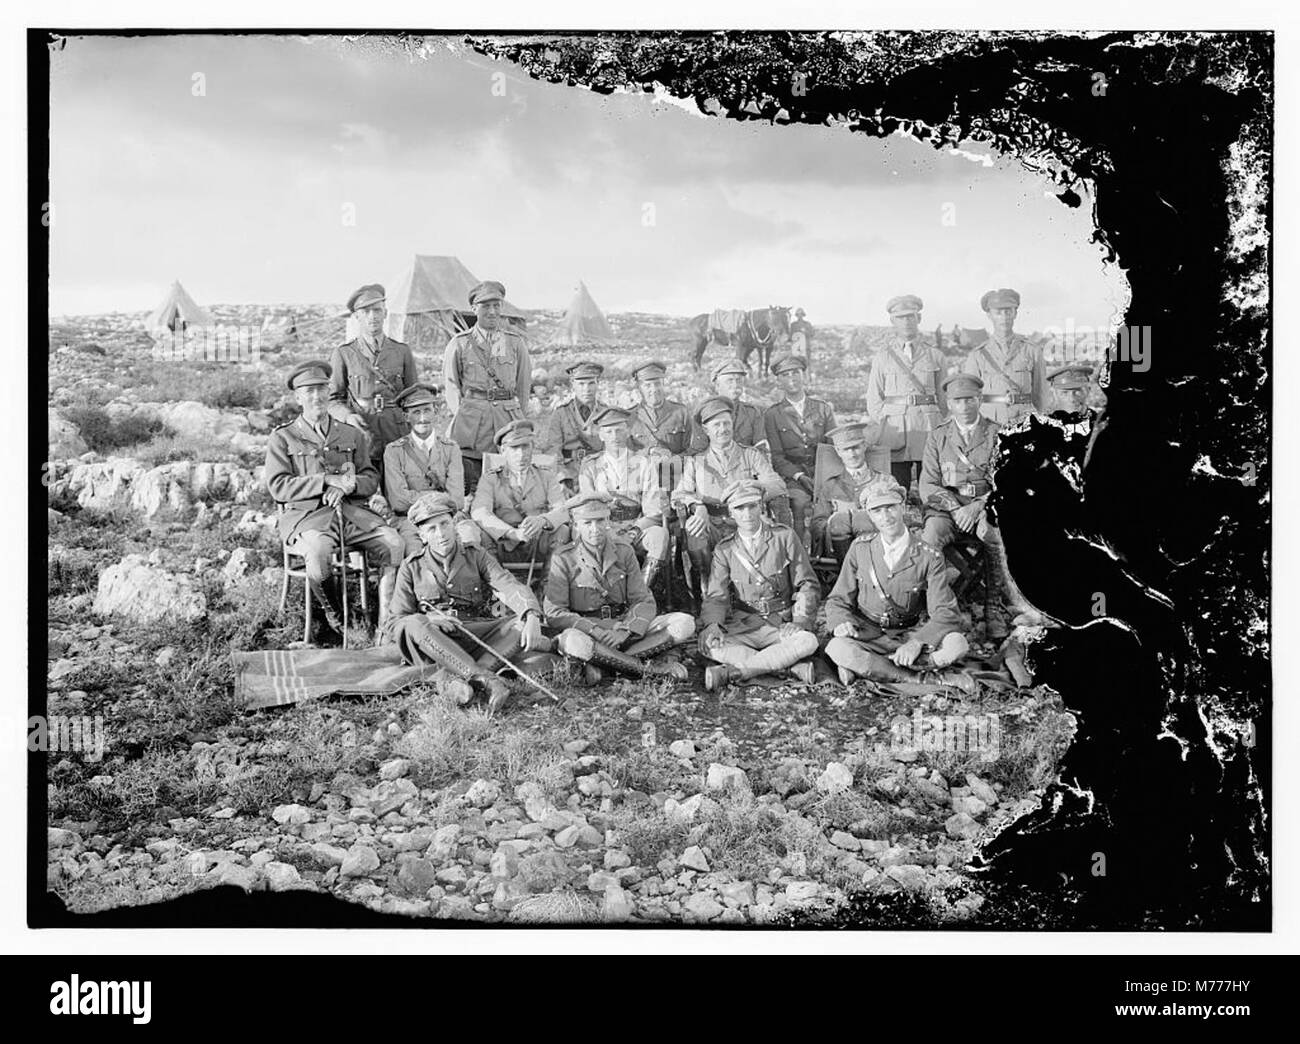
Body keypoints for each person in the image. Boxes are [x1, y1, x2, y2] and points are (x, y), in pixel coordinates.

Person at [266, 361, 405, 640]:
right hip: (307, 519)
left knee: (395, 544)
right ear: (298, 398)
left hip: (352, 514)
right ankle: (340, 620)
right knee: (317, 553)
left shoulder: (350, 434)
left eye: (320, 389)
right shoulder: (284, 437)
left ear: (329, 392)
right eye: (309, 391)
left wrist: (348, 485)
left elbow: (370, 478)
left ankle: (385, 627)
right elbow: (278, 487)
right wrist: (325, 481)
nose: (316, 397)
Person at [386, 492, 552, 712]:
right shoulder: (411, 567)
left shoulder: (476, 556)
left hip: (472, 635)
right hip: (434, 642)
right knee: (414, 623)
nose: (441, 534)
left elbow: (508, 585)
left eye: (444, 524)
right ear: (422, 535)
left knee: (518, 624)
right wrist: (429, 619)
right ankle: (486, 679)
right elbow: (395, 622)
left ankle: (464, 678)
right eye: (432, 529)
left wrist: (531, 613)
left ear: (454, 525)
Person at [823, 484, 973, 690]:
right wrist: (841, 623)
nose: (885, 516)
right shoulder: (860, 549)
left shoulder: (929, 556)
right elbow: (838, 600)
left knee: (957, 644)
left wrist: (916, 642)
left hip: (909, 633)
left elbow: (945, 612)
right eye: (877, 510)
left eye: (890, 507)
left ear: (902, 507)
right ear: (869, 515)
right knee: (837, 648)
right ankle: (921, 678)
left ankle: (874, 669)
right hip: (869, 635)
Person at [544, 493, 695, 682]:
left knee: (684, 623)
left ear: (608, 520)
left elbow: (643, 599)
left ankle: (606, 666)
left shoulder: (624, 551)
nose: (595, 529)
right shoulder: (563, 558)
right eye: (587, 523)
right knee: (573, 642)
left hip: (624, 630)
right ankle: (648, 670)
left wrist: (625, 630)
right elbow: (554, 612)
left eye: (600, 521)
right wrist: (594, 630)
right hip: (589, 634)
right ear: (576, 525)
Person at [697, 481, 821, 691]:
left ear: (761, 506)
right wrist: (713, 625)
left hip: (780, 624)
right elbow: (716, 596)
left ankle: (736, 672)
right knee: (710, 646)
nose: (747, 514)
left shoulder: (784, 537)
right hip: (743, 625)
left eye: (752, 506)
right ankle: (786, 668)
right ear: (731, 513)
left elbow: (807, 584)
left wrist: (799, 620)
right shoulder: (725, 549)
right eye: (739, 508)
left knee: (807, 641)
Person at [918, 373, 1012, 638]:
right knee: (930, 536)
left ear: (979, 399)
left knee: (993, 535)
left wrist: (979, 505)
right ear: (949, 404)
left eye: (969, 399)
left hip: (985, 505)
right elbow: (928, 484)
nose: (964, 406)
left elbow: (1008, 481)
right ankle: (940, 608)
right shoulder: (938, 437)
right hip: (948, 509)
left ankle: (992, 608)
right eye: (958, 401)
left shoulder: (997, 433)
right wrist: (956, 508)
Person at [672, 396, 786, 599]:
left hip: (747, 519)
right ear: (706, 430)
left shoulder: (750, 455)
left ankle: (755, 593)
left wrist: (757, 485)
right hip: (713, 522)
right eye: (717, 425)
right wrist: (698, 506)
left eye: (727, 423)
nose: (723, 429)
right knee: (695, 534)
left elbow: (778, 485)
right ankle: (711, 590)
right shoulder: (696, 462)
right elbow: (680, 494)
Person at [443, 280, 532, 495]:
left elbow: (523, 385)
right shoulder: (460, 343)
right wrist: (464, 416)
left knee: (508, 478)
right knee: (470, 477)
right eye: (485, 306)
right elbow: (451, 385)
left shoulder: (514, 343)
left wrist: (519, 419)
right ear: (474, 308)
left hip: (506, 417)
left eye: (497, 305)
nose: (492, 311)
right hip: (473, 422)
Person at [328, 284, 418, 475]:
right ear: (356, 316)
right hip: (361, 433)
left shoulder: (402, 352)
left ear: (385, 313)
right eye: (366, 311)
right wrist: (347, 417)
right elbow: (333, 400)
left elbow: (414, 396)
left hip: (396, 432)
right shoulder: (344, 353)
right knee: (364, 492)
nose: (372, 316)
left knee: (399, 492)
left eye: (377, 310)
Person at [577, 406, 669, 587]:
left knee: (659, 535)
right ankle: (601, 590)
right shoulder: (590, 466)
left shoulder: (644, 464)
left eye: (619, 430)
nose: (615, 436)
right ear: (601, 435)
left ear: (628, 431)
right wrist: (609, 530)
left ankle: (642, 590)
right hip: (603, 527)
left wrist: (633, 531)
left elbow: (653, 510)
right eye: (609, 431)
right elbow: (588, 507)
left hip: (636, 528)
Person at [866, 294, 946, 494]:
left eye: (911, 316)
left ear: (918, 319)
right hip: (895, 431)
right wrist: (886, 422)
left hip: (927, 428)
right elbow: (874, 399)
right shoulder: (883, 357)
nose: (907, 322)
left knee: (932, 486)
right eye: (901, 318)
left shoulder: (935, 355)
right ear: (893, 321)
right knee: (896, 489)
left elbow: (944, 397)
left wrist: (941, 425)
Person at [381, 383, 474, 556]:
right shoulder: (394, 451)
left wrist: (420, 497)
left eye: (427, 410)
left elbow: (457, 500)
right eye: (416, 412)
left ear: (436, 412)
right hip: (411, 520)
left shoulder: (451, 448)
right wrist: (440, 498)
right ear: (406, 416)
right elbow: (399, 501)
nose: (423, 418)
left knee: (470, 541)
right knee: (414, 551)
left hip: (449, 517)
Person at [470, 418, 569, 569]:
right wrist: (511, 533)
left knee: (563, 531)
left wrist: (542, 520)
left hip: (537, 543)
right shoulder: (490, 478)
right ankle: (496, 584)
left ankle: (549, 584)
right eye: (514, 448)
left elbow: (562, 510)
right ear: (503, 450)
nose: (521, 454)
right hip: (503, 544)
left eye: (525, 447)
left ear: (532, 447)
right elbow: (480, 512)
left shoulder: (546, 476)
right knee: (481, 534)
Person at [763, 353, 837, 545]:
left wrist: (823, 477)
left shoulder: (823, 408)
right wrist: (798, 476)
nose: (792, 379)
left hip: (824, 472)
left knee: (833, 505)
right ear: (778, 381)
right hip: (794, 477)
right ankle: (799, 554)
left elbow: (832, 448)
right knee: (797, 502)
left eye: (795, 373)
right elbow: (777, 458)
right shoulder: (773, 414)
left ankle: (827, 552)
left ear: (803, 375)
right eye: (785, 375)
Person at [810, 421, 893, 564]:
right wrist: (838, 521)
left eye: (855, 448)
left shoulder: (885, 481)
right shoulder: (829, 486)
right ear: (837, 451)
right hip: (839, 550)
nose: (852, 454)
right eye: (845, 449)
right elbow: (817, 523)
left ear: (864, 446)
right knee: (840, 523)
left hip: (878, 551)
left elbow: (897, 516)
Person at [962, 288, 1047, 424]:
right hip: (990, 421)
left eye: (1008, 311)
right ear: (989, 315)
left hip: (1024, 420)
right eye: (998, 312)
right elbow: (969, 396)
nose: (1004, 317)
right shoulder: (977, 355)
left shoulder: (1032, 350)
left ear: (1015, 314)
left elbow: (1041, 394)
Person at [537, 360, 610, 488]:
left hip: (600, 473)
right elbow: (553, 450)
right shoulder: (561, 413)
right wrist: (561, 477)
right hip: (570, 472)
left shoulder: (607, 412)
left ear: (598, 384)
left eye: (591, 383)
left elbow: (613, 448)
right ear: (572, 385)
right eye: (581, 384)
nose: (586, 389)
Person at [688, 358, 766, 451]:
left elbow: (761, 449)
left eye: (738, 380)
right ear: (717, 386)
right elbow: (698, 452)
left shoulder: (752, 413)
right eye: (730, 380)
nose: (735, 384)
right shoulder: (704, 414)